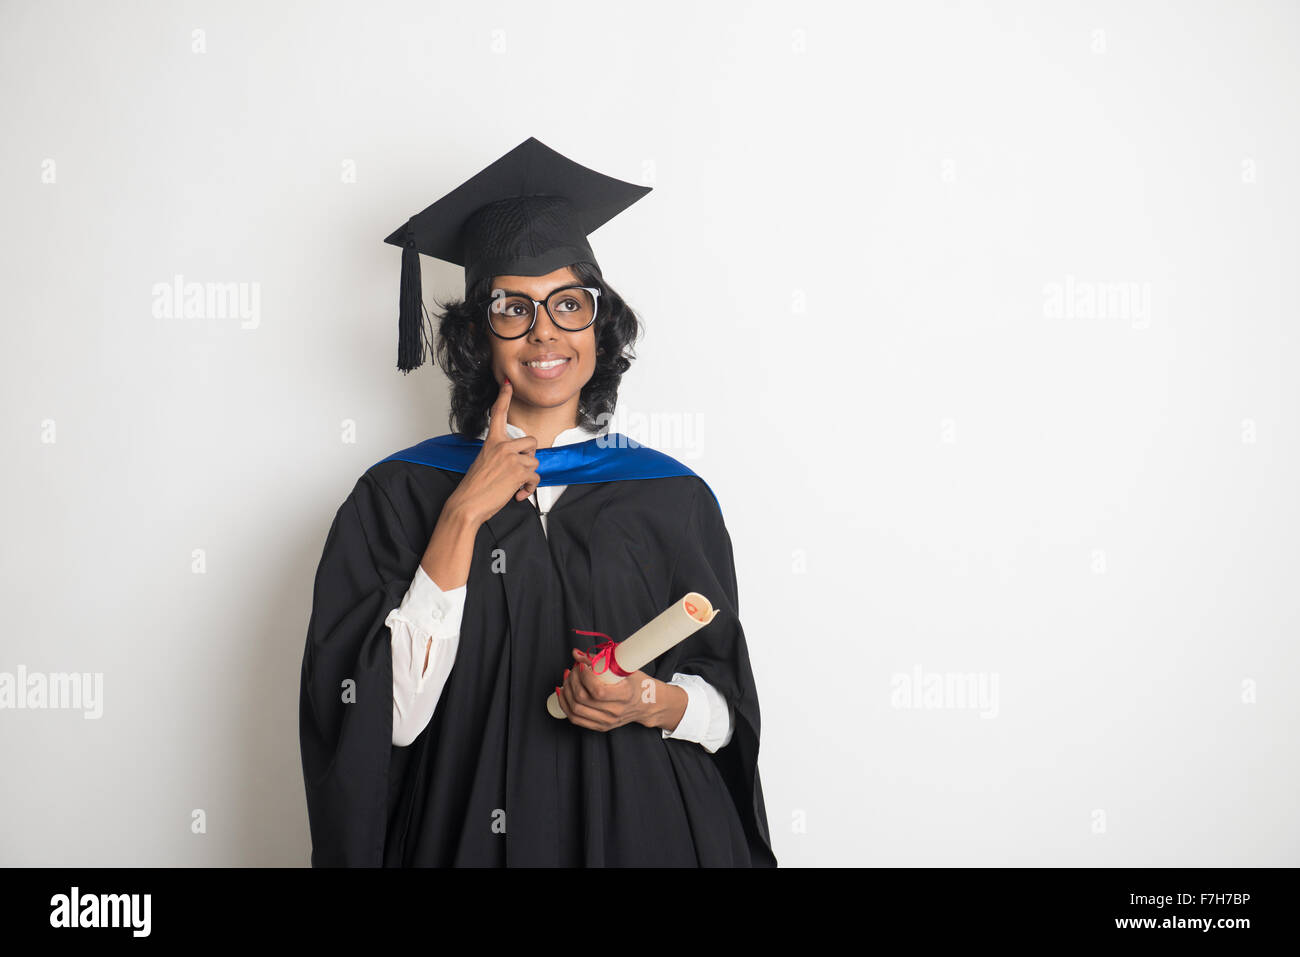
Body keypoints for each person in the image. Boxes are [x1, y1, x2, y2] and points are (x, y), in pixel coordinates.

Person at [298, 137, 777, 866]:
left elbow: (724, 716)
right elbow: (383, 723)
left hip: (654, 838)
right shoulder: (397, 496)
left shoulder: (672, 497)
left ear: (598, 323)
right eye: (512, 308)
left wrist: (650, 700)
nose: (545, 328)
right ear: (476, 335)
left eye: (568, 303)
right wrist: (462, 515)